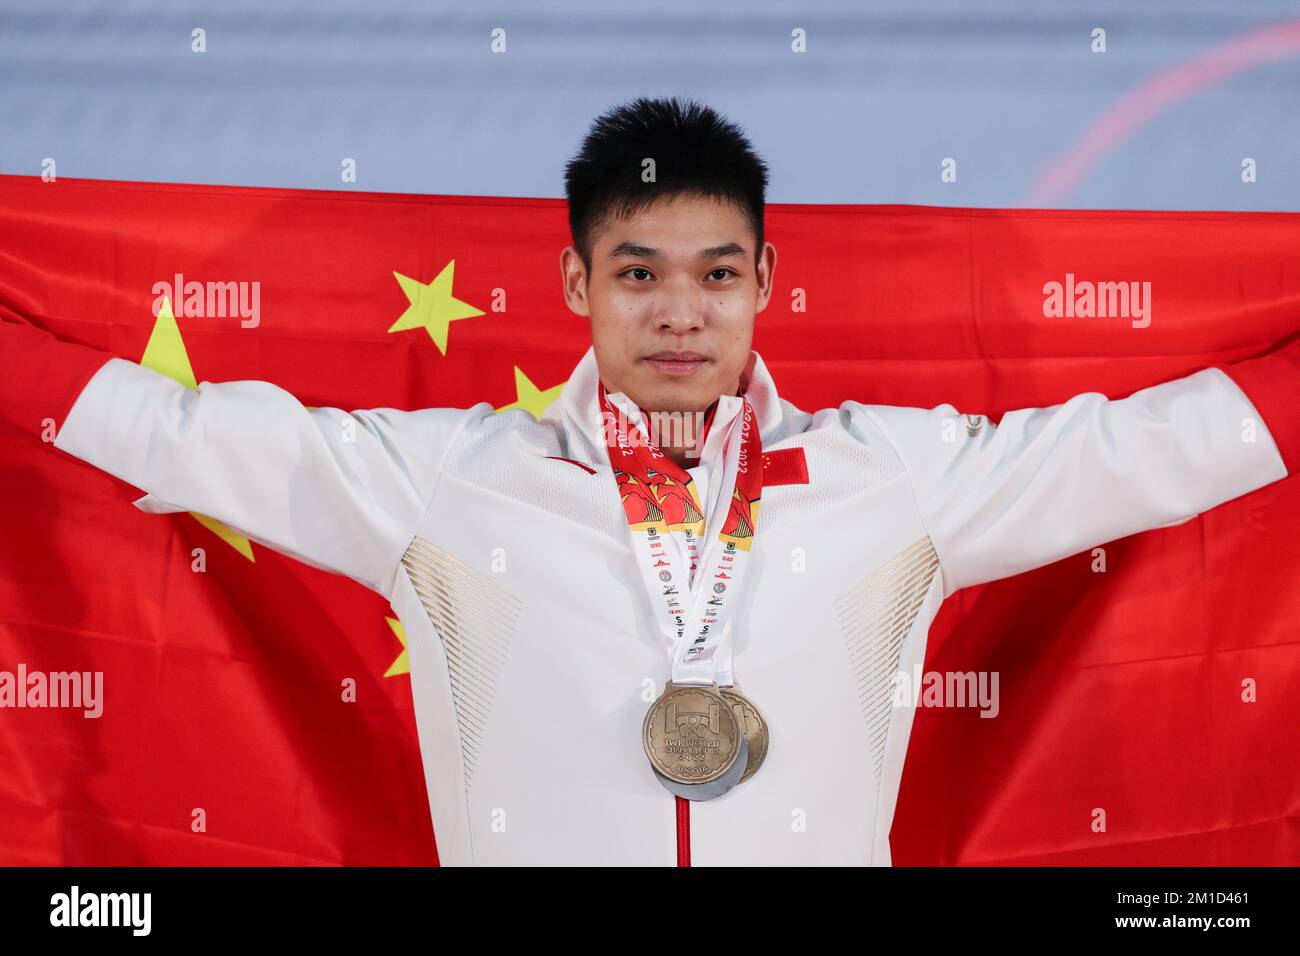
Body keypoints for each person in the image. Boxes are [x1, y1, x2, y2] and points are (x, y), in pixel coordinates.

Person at [1, 96, 1296, 866]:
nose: (680, 315)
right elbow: (177, 433)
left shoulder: (892, 475)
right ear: (578, 285)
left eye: (717, 274)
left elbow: (1148, 456)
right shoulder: (448, 480)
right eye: (638, 273)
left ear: (766, 282)